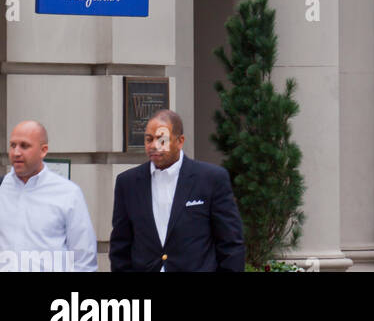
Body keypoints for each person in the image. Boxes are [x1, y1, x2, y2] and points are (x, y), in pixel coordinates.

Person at [110, 108, 244, 272]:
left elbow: (231, 244)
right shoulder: (127, 183)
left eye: (162, 139)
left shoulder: (211, 179)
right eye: (149, 139)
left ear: (180, 141)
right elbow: (120, 246)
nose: (154, 146)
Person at [0, 119, 97, 271]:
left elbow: (84, 258)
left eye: (24, 146)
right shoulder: (2, 189)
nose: (16, 152)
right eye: (13, 145)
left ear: (43, 150)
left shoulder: (68, 193)